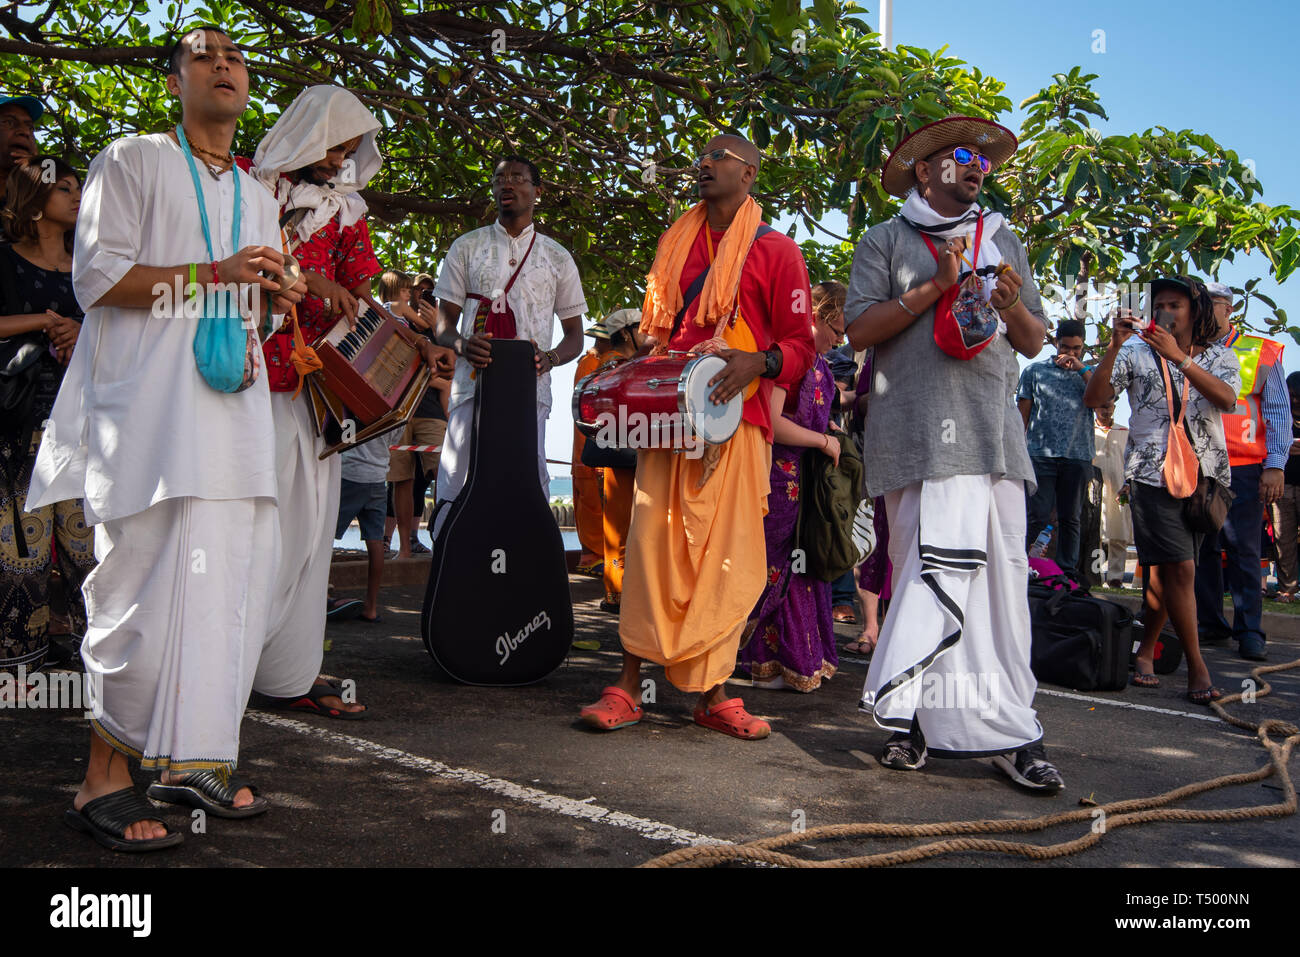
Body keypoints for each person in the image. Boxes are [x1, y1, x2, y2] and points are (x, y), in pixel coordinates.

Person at [26, 26, 306, 847]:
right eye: (204, 55)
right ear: (177, 78)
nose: (225, 65)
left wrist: (272, 299)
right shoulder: (133, 159)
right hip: (149, 425)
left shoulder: (258, 194)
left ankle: (193, 759)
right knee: (140, 596)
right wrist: (215, 277)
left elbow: (250, 297)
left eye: (238, 57)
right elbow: (98, 278)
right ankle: (100, 782)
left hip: (231, 418)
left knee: (229, 595)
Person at [846, 115, 1063, 792]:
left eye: (983, 161)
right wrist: (935, 287)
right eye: (961, 156)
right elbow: (859, 326)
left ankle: (1015, 732)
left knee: (1002, 589)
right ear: (924, 169)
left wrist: (1008, 303)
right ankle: (913, 725)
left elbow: (1031, 339)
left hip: (994, 438)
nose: (977, 167)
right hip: (915, 439)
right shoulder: (884, 240)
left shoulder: (1002, 240)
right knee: (922, 575)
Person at [579, 133, 815, 739]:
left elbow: (800, 345)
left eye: (719, 157)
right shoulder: (675, 241)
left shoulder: (778, 251)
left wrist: (757, 363)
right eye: (701, 156)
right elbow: (659, 333)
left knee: (724, 560)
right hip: (670, 423)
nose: (704, 163)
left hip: (739, 427)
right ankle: (628, 688)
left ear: (750, 174)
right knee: (651, 548)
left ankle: (715, 696)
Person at [246, 85, 387, 718]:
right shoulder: (249, 186)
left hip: (319, 392)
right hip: (246, 379)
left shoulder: (347, 209)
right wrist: (308, 283)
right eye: (333, 144)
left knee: (309, 532)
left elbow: (359, 286)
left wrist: (408, 341)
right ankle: (229, 663)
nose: (339, 159)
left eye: (349, 148)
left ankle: (288, 671)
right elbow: (231, 264)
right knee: (257, 528)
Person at [1084, 276, 1239, 704]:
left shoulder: (1221, 355)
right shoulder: (1135, 352)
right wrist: (1114, 346)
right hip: (1152, 474)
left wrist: (1180, 359)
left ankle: (1147, 651)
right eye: (1161, 304)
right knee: (1182, 570)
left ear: (1197, 310)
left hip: (1206, 480)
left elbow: (1227, 400)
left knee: (1165, 573)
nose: (1166, 312)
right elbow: (1093, 397)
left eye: (1177, 304)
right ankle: (1197, 667)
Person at [431, 155, 588, 507]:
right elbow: (443, 325)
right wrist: (462, 343)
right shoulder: (466, 247)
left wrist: (549, 358)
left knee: (528, 479)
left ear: (537, 191)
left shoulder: (557, 256)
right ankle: (449, 556)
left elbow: (575, 336)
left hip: (530, 390)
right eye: (500, 178)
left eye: (518, 178)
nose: (507, 184)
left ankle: (526, 560)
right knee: (456, 477)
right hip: (471, 382)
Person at [0, 157, 94, 677]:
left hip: (87, 424)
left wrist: (83, 330)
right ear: (35, 205)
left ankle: (94, 655)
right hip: (21, 425)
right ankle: (19, 666)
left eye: (79, 187)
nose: (77, 196)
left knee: (89, 546)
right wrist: (44, 321)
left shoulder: (93, 267)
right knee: (20, 551)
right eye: (63, 188)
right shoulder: (5, 261)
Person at [737, 284, 842, 691]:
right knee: (774, 565)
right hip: (778, 477)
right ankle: (759, 658)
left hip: (804, 477)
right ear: (817, 315)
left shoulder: (821, 363)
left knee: (802, 564)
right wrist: (820, 440)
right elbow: (774, 421)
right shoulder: (793, 357)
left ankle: (793, 659)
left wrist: (825, 428)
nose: (840, 339)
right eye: (837, 329)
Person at [1193, 281, 1289, 662]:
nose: (1201, 312)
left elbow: (1278, 412)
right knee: (1203, 549)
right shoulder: (1187, 349)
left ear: (1228, 308)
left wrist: (1276, 465)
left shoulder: (1260, 351)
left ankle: (1250, 631)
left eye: (1209, 305)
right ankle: (1211, 623)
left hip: (1246, 469)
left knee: (1245, 550)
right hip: (1200, 467)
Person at [1017, 319, 1095, 578]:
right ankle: (1025, 566)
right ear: (1054, 343)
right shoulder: (1035, 371)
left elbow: (1104, 397)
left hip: (1078, 456)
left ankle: (1067, 573)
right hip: (1041, 455)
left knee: (1071, 517)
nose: (1070, 354)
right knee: (1036, 515)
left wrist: (1082, 368)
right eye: (1065, 347)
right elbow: (1022, 417)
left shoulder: (1091, 374)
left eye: (1077, 349)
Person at [590, 309, 642, 613]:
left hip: (618, 449)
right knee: (621, 526)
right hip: (620, 452)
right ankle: (619, 592)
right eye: (640, 327)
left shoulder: (609, 364)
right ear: (625, 333)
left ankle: (618, 591)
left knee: (622, 525)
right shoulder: (616, 365)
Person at [335, 425, 403, 624]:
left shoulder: (355, 400)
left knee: (325, 534)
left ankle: (319, 594)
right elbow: (395, 436)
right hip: (378, 476)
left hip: (350, 472)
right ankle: (371, 606)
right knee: (375, 541)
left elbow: (340, 432)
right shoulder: (393, 406)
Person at [571, 317, 616, 575]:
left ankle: (600, 556)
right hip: (589, 449)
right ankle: (593, 557)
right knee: (591, 503)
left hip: (595, 449)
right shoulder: (591, 363)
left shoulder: (597, 362)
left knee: (598, 503)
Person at [1093, 399, 1133, 587]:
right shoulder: (1088, 431)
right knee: (1095, 535)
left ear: (1114, 408)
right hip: (1094, 489)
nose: (1105, 410)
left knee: (1119, 534)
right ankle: (1095, 575)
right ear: (1095, 408)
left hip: (1119, 489)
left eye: (1108, 406)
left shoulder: (1124, 432)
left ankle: (1116, 577)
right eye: (1102, 406)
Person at [1270, 372, 1300, 602]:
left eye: (1296, 394)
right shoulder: (1280, 415)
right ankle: (1287, 589)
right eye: (1290, 393)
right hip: (1283, 485)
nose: (1294, 399)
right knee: (1283, 539)